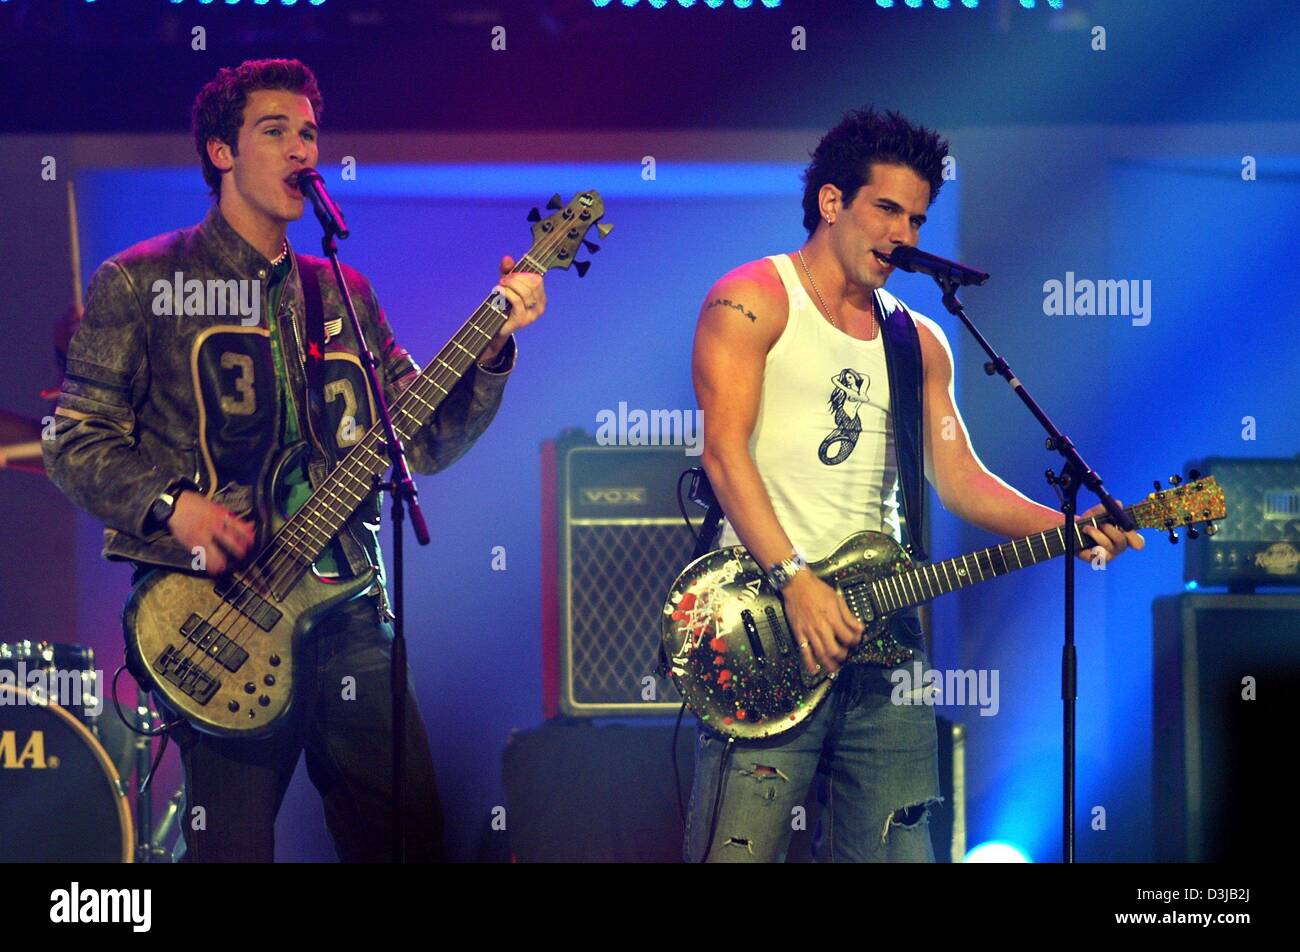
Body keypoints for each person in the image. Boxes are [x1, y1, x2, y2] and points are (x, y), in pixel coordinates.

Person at [43, 58, 547, 862]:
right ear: (221, 152)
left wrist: (492, 350)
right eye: (274, 131)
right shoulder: (140, 282)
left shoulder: (344, 291)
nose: (300, 150)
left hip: (348, 612)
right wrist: (177, 506)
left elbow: (422, 439)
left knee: (409, 840)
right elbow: (75, 440)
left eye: (308, 133)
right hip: (219, 613)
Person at [685, 106, 1142, 863]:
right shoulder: (752, 299)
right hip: (767, 624)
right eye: (887, 209)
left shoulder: (918, 341)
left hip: (885, 640)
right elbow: (724, 455)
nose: (905, 235)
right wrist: (797, 581)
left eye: (918, 218)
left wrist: (1067, 529)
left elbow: (959, 480)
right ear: (832, 203)